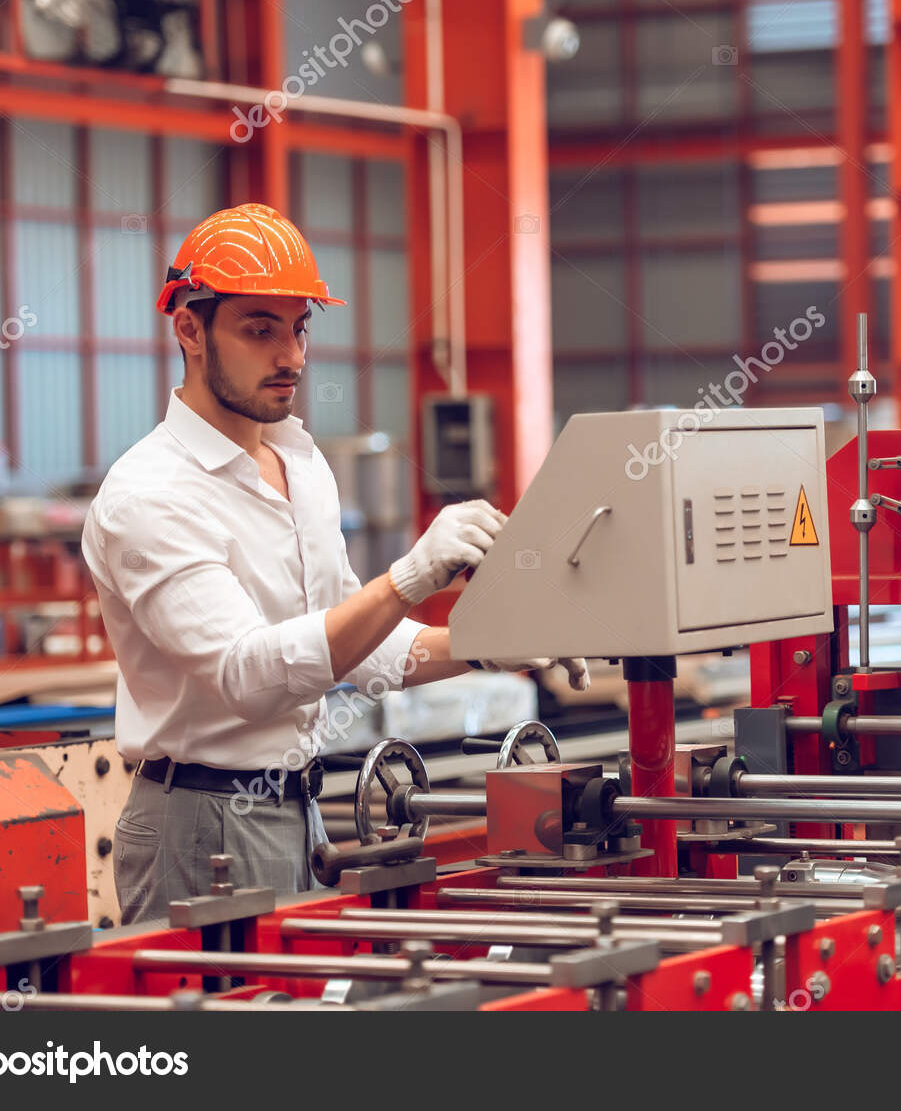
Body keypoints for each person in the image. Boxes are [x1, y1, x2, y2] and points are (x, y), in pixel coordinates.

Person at [82, 202, 586, 924]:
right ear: (189, 329)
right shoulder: (150, 496)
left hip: (301, 810)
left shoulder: (300, 460)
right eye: (260, 329)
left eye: (299, 327)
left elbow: (353, 648)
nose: (292, 356)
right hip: (200, 826)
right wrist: (408, 579)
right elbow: (249, 677)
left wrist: (488, 646)